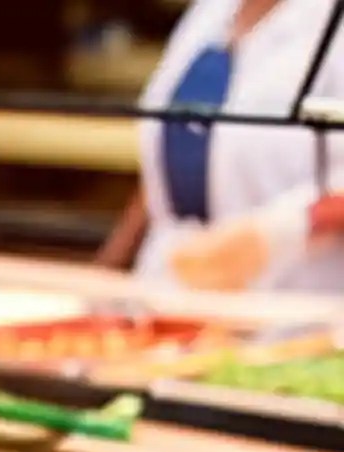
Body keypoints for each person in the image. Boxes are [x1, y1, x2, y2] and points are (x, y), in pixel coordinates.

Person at [97, 0, 344, 294]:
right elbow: (172, 155)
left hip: (295, 309)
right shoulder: (210, 11)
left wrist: (280, 231)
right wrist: (108, 270)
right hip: (167, 291)